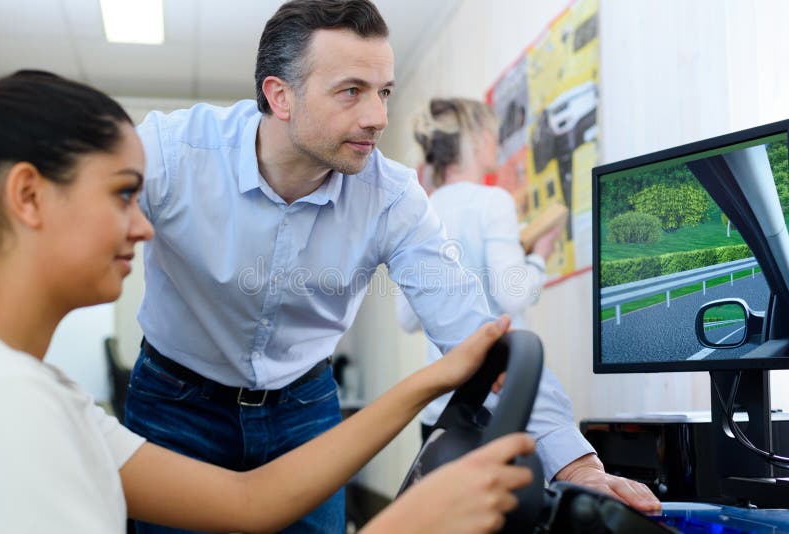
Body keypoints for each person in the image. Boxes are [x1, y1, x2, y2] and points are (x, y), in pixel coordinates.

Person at [126, 1, 661, 531]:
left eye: (383, 92)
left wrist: (578, 467)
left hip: (303, 408)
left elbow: (475, 329)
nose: (378, 117)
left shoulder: (392, 197)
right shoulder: (172, 153)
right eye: (351, 91)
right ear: (280, 95)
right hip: (175, 401)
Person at [0, 69, 537, 534]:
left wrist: (433, 380)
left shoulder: (55, 400)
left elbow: (249, 502)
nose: (145, 227)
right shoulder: (12, 403)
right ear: (29, 196)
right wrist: (410, 523)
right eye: (123, 194)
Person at [396, 97, 564, 441]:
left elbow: (408, 318)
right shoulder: (492, 202)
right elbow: (512, 294)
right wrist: (539, 257)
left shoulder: (419, 212)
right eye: (491, 133)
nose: (496, 142)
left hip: (441, 410)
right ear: (474, 139)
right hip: (498, 408)